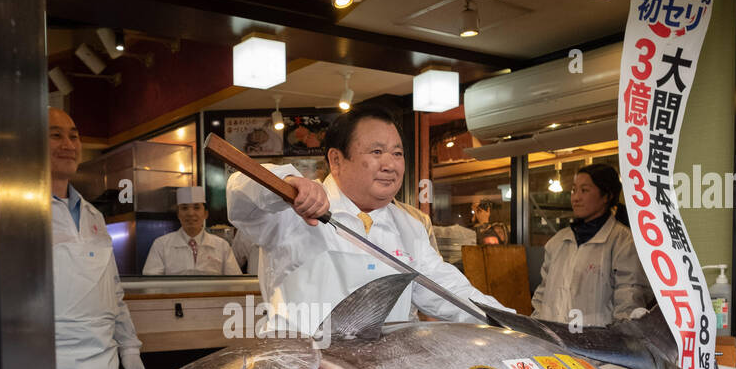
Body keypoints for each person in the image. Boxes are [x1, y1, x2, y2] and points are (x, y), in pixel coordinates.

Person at [226, 104, 509, 335]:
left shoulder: (409, 227)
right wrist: (286, 183)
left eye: (397, 154)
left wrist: (513, 324)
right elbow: (239, 190)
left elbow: (449, 291)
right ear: (336, 160)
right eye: (376, 152)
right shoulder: (291, 207)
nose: (390, 164)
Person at [49, 108, 145, 369]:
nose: (68, 143)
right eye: (55, 134)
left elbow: (113, 292)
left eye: (73, 135)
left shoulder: (93, 215)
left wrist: (130, 347)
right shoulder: (17, 214)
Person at [530, 163, 654, 326]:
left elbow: (629, 300)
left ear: (606, 196)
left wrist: (619, 341)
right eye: (574, 190)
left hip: (597, 346)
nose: (575, 198)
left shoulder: (623, 242)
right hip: (552, 343)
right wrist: (535, 330)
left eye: (584, 190)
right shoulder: (558, 241)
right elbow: (542, 296)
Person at [142, 187, 241, 276]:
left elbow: (234, 283)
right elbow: (151, 284)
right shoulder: (161, 245)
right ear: (178, 214)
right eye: (184, 208)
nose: (190, 213)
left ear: (205, 214)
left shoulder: (222, 246)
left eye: (196, 208)